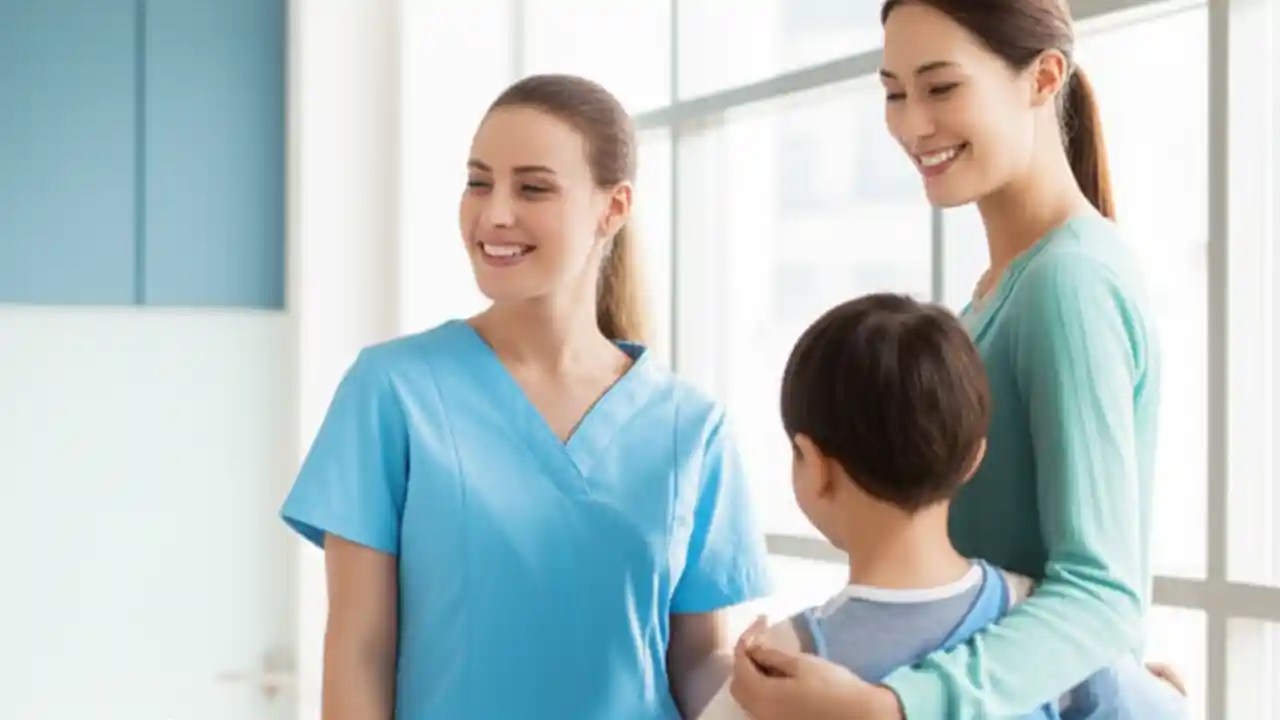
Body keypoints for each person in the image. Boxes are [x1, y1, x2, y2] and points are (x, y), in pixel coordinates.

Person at [279, 73, 772, 719]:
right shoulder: (392, 392)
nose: (494, 214)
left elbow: (695, 661)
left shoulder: (691, 427)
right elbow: (358, 652)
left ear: (613, 207)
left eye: (532, 188)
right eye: (478, 182)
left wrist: (764, 686)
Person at [730, 1, 1169, 717]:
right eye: (894, 93)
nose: (912, 125)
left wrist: (889, 707)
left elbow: (1101, 594)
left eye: (941, 87)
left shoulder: (1068, 283)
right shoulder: (1001, 291)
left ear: (1042, 77)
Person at [696, 294, 1185, 720]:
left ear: (815, 466)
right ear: (974, 458)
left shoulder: (779, 670)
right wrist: (1160, 693)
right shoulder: (1044, 630)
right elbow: (1162, 711)